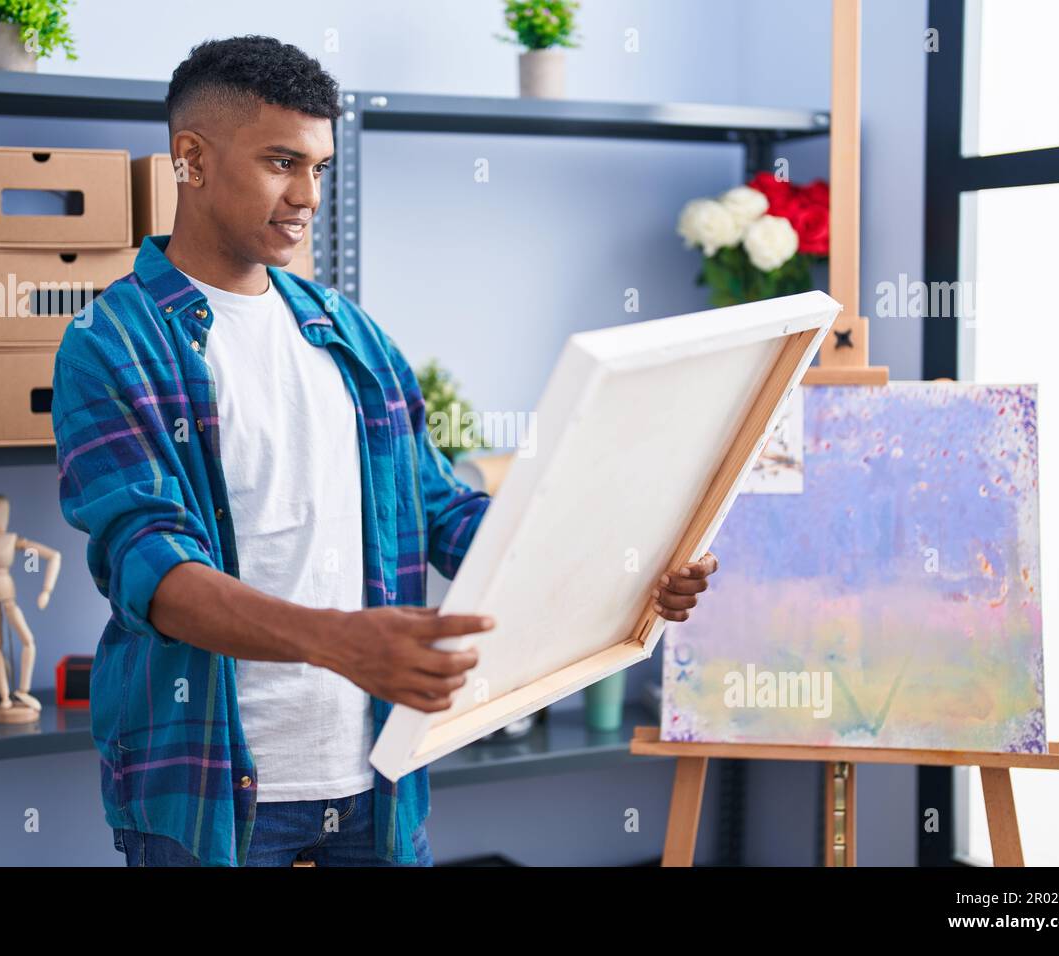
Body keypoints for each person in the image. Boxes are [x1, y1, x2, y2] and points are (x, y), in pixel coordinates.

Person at [51, 34, 717, 867]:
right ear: (190, 158)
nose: (306, 195)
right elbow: (151, 568)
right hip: (210, 794)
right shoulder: (110, 343)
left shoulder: (350, 337)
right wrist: (338, 640)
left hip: (374, 777)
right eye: (281, 162)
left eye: (321, 168)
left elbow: (444, 511)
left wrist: (625, 565)